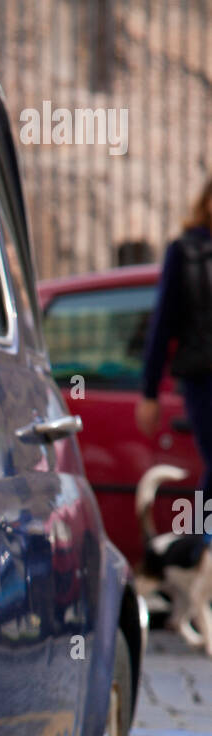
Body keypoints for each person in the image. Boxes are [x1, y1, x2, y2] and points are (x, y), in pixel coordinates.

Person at [137, 176, 212, 510]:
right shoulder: (185, 251)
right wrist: (150, 392)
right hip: (204, 377)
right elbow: (162, 324)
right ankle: (203, 547)